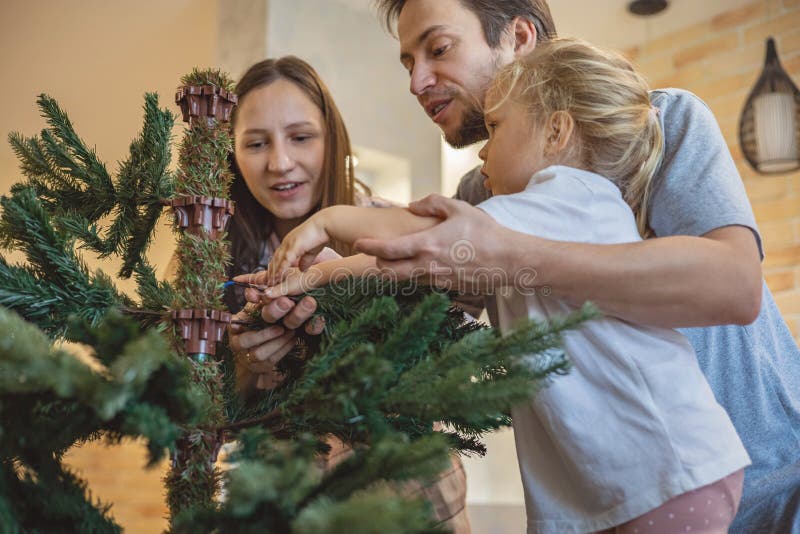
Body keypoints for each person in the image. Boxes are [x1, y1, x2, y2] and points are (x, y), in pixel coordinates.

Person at [261, 38, 752, 533]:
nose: (484, 148)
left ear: (556, 131)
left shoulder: (567, 193)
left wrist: (327, 224)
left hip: (668, 473)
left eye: (496, 128)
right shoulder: (547, 210)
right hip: (655, 481)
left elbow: (423, 238)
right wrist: (326, 274)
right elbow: (421, 262)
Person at [224, 55, 470, 532]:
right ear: (231, 153)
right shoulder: (211, 259)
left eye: (301, 137)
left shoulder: (392, 229)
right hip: (281, 502)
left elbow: (447, 358)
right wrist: (246, 368)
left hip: (407, 495)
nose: (280, 162)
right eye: (256, 143)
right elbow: (189, 405)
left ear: (331, 138)